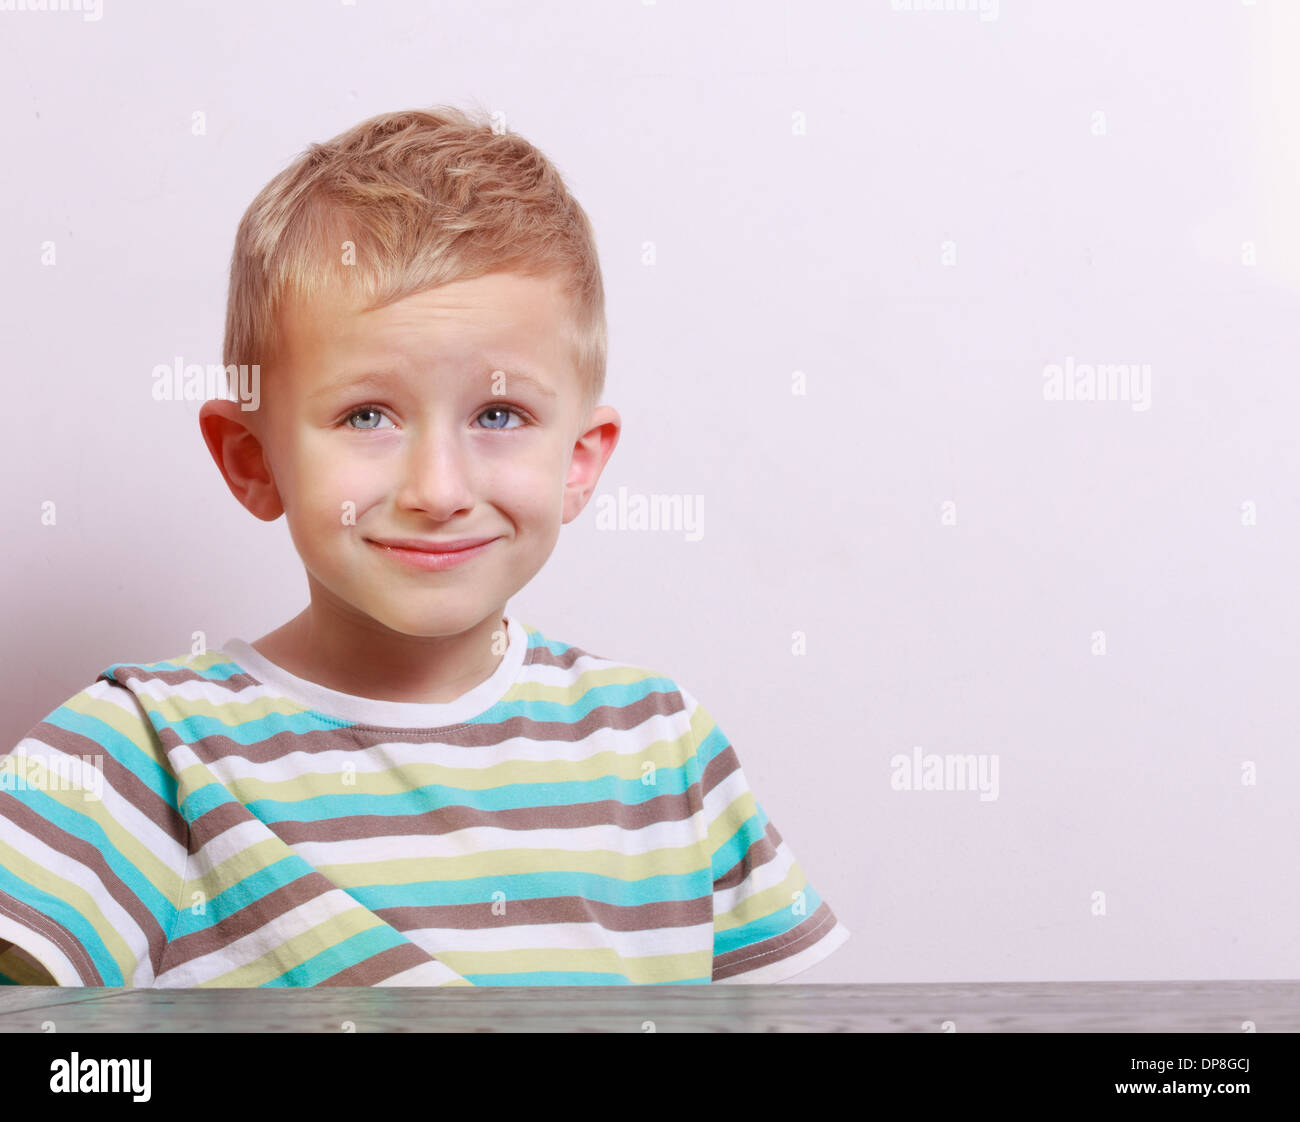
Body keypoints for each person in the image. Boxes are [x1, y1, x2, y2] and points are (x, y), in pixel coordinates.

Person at [0, 106, 849, 987]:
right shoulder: (144, 753)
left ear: (579, 462)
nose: (437, 491)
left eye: (498, 415)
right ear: (253, 461)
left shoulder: (661, 746)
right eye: (367, 415)